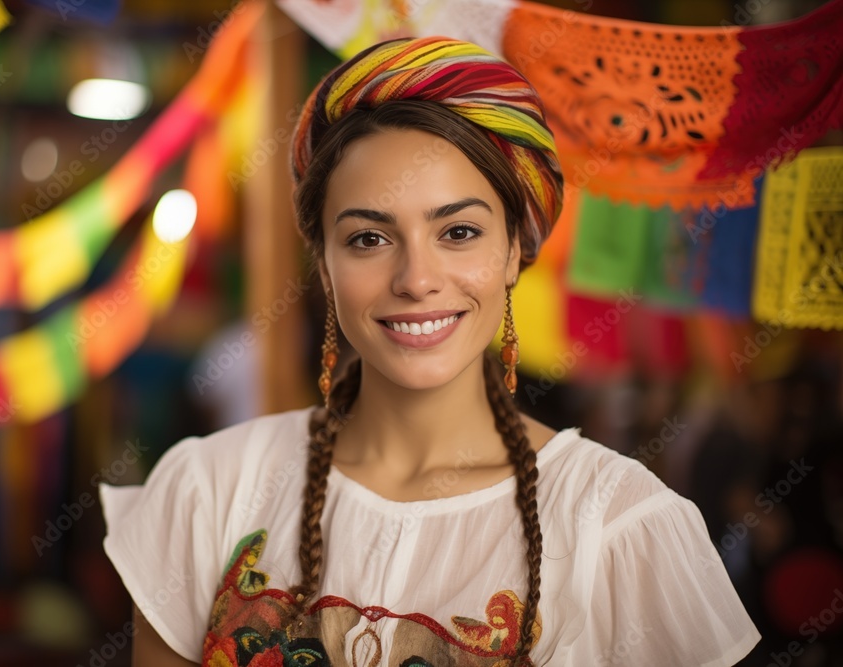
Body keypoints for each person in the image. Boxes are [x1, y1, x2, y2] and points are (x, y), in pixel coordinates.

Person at [100, 36, 761, 666]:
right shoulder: (206, 493)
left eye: (459, 231)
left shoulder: (621, 527)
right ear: (325, 266)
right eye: (368, 238)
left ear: (513, 252)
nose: (416, 279)